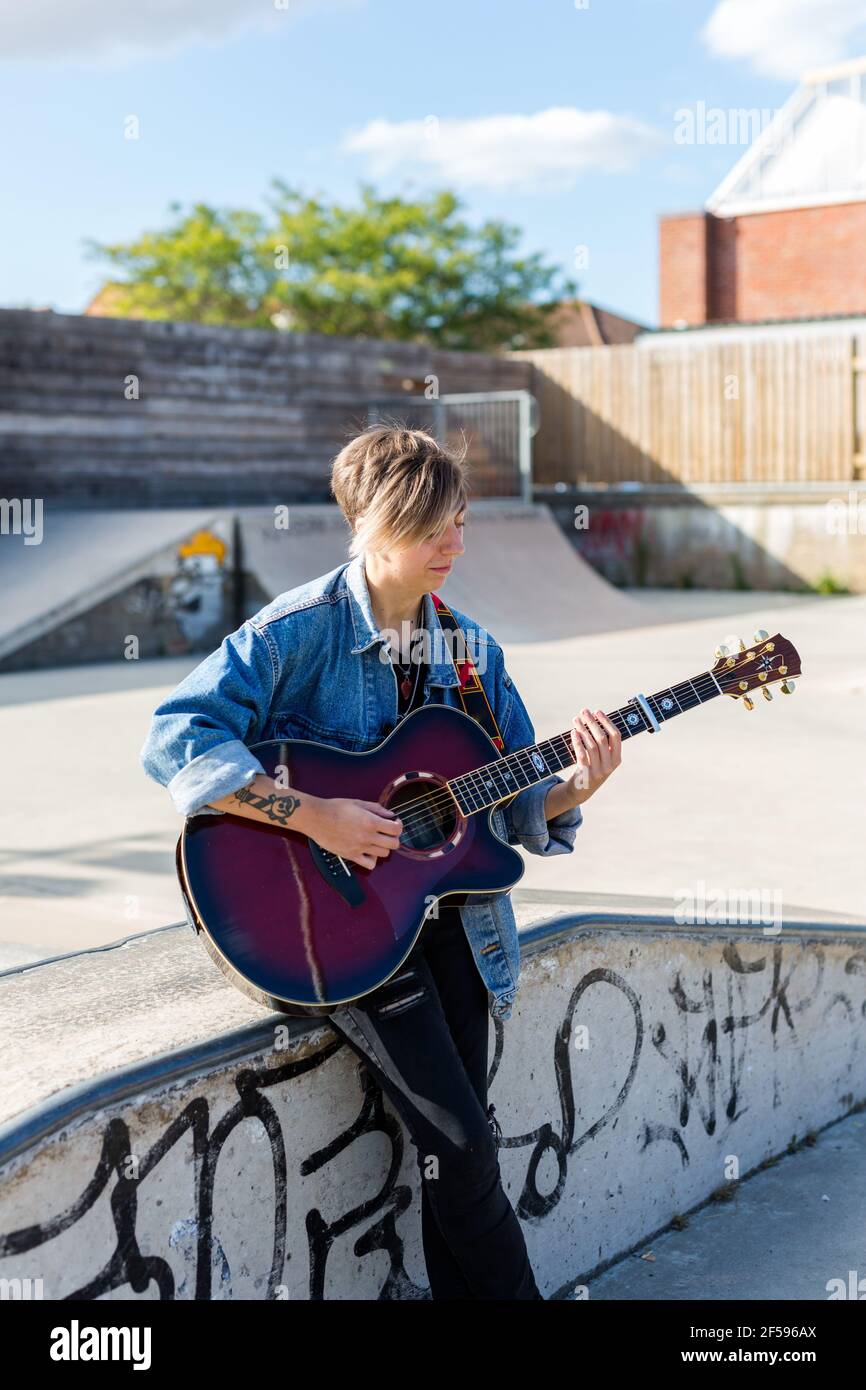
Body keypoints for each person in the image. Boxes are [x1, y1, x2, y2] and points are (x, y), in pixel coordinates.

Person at [139, 425, 622, 1300]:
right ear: (376, 525)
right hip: (333, 924)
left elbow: (513, 807)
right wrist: (313, 814)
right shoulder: (299, 632)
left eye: (462, 524)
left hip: (450, 922)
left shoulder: (470, 652)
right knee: (468, 1148)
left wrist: (574, 787)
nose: (455, 546)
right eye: (435, 526)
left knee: (459, 1149)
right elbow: (177, 739)